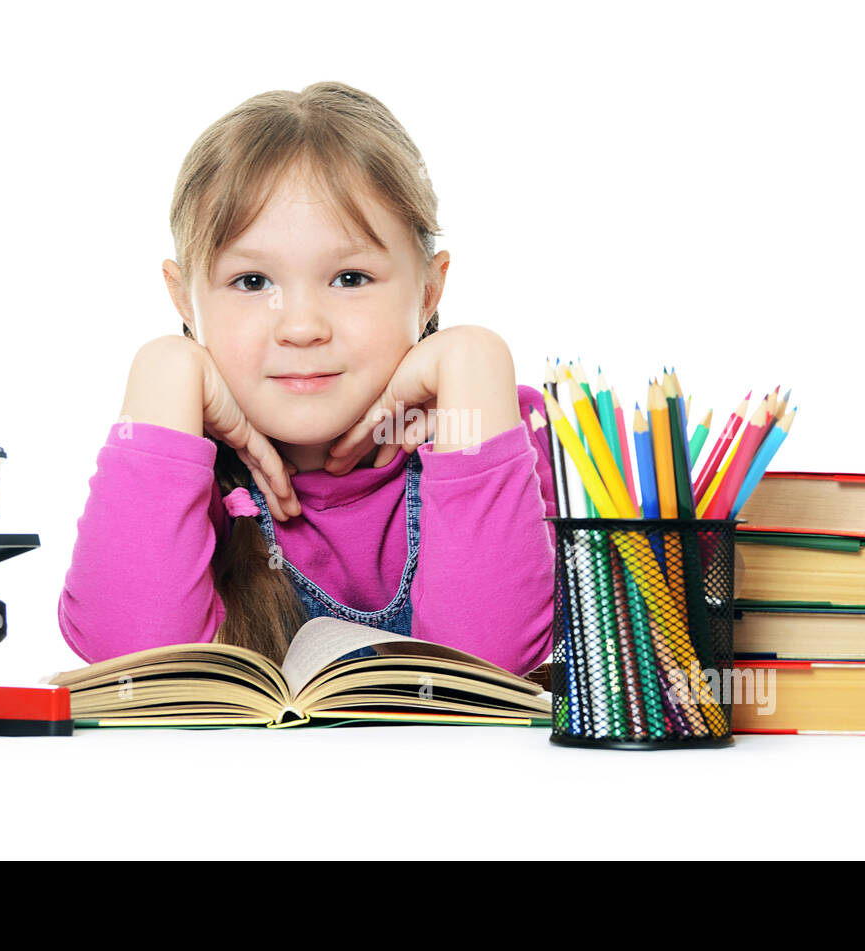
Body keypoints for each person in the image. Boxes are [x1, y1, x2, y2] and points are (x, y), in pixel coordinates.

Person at [58, 81, 556, 677]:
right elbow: (135, 670)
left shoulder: (495, 429)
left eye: (349, 278)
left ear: (428, 290)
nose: (300, 327)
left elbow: (484, 671)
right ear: (184, 300)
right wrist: (163, 366)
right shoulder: (173, 463)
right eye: (251, 282)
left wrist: (477, 360)